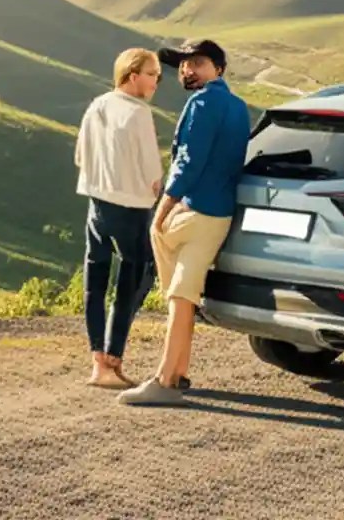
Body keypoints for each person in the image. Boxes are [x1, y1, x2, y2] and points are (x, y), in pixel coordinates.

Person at [118, 39, 250, 406]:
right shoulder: (239, 107)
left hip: (196, 210)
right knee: (184, 298)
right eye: (185, 64)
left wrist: (164, 207)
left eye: (199, 63)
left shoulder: (203, 103)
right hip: (220, 211)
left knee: (178, 294)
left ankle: (165, 380)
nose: (189, 70)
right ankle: (177, 372)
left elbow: (189, 160)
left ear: (219, 69)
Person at [74, 48, 163, 387]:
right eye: (152, 74)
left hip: (97, 203)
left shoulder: (97, 104)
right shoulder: (140, 113)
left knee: (95, 279)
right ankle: (113, 357)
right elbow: (153, 174)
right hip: (132, 207)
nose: (157, 81)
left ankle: (99, 361)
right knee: (132, 282)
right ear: (132, 75)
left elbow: (81, 155)